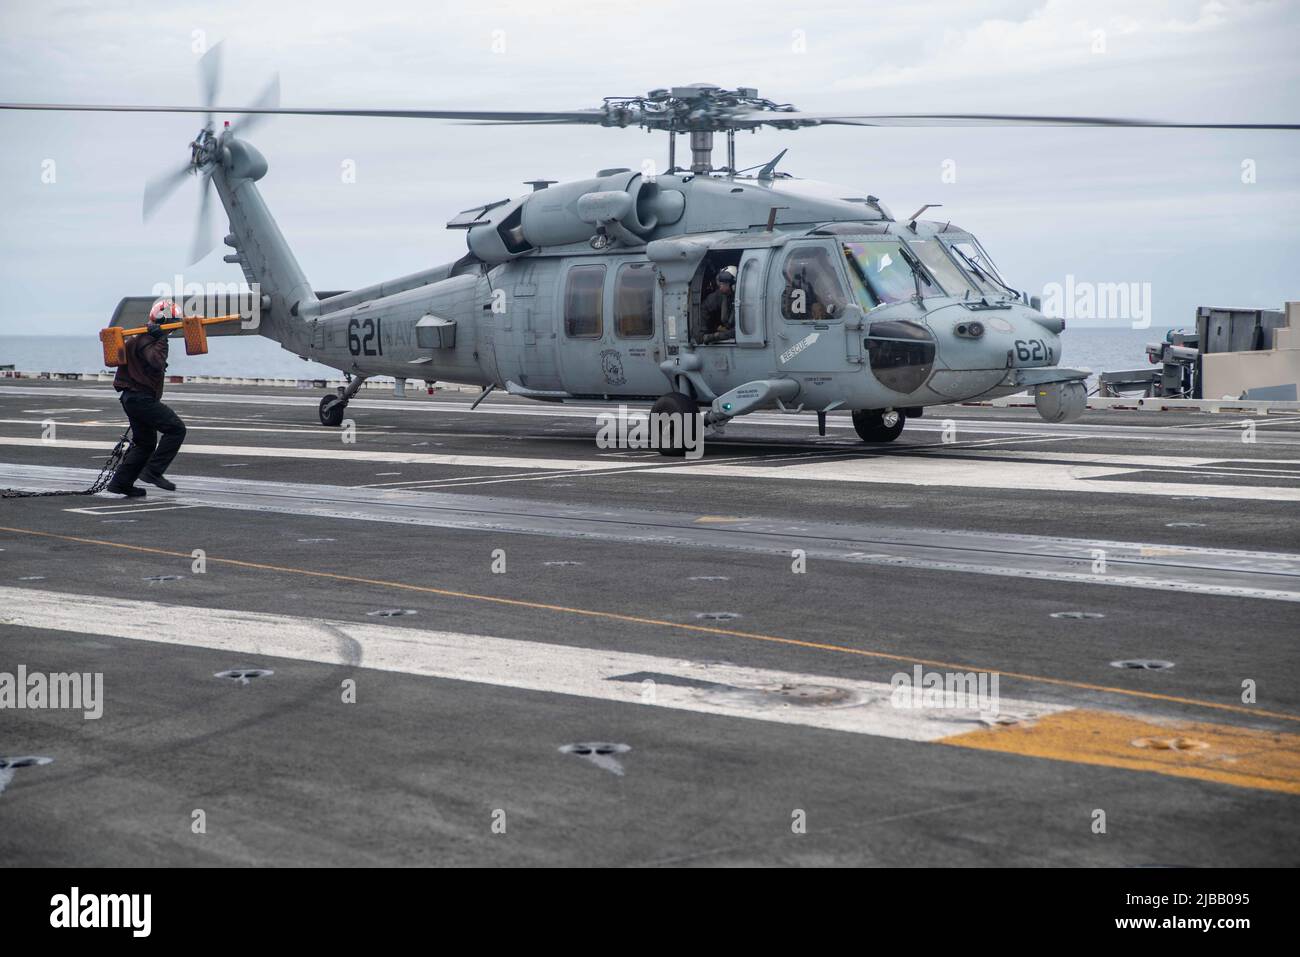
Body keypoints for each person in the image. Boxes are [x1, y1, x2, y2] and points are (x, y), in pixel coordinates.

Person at [106, 300, 188, 496]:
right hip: (140, 398)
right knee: (176, 429)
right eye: (174, 323)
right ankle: (153, 471)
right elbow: (156, 363)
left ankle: (120, 483)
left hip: (132, 398)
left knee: (145, 443)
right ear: (165, 321)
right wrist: (162, 339)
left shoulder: (139, 337)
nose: (173, 329)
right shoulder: (147, 339)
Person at [701, 266, 737, 343]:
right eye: (720, 283)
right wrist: (705, 331)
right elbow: (705, 307)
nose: (720, 286)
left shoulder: (745, 298)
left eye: (724, 283)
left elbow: (739, 330)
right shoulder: (720, 295)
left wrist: (716, 336)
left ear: (732, 284)